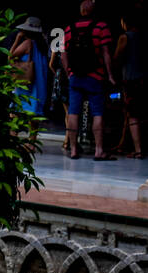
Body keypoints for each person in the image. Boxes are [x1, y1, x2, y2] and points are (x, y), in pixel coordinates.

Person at [61, 0, 117, 160]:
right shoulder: (101, 27)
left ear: (81, 11)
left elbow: (63, 54)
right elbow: (106, 53)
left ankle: (73, 150)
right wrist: (110, 75)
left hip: (75, 77)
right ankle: (99, 150)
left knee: (73, 112)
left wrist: (68, 73)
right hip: (95, 76)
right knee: (98, 113)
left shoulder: (68, 29)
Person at [114, 14, 148, 158]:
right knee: (132, 114)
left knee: (133, 115)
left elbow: (117, 58)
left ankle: (138, 150)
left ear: (125, 22)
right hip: (145, 81)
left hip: (131, 82)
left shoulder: (125, 38)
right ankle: (123, 144)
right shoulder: (145, 38)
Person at [8, 17, 49, 124]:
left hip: (26, 86)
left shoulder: (28, 43)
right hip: (39, 87)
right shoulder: (43, 45)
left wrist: (17, 39)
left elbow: (10, 57)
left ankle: (14, 139)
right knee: (34, 122)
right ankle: (31, 141)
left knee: (15, 117)